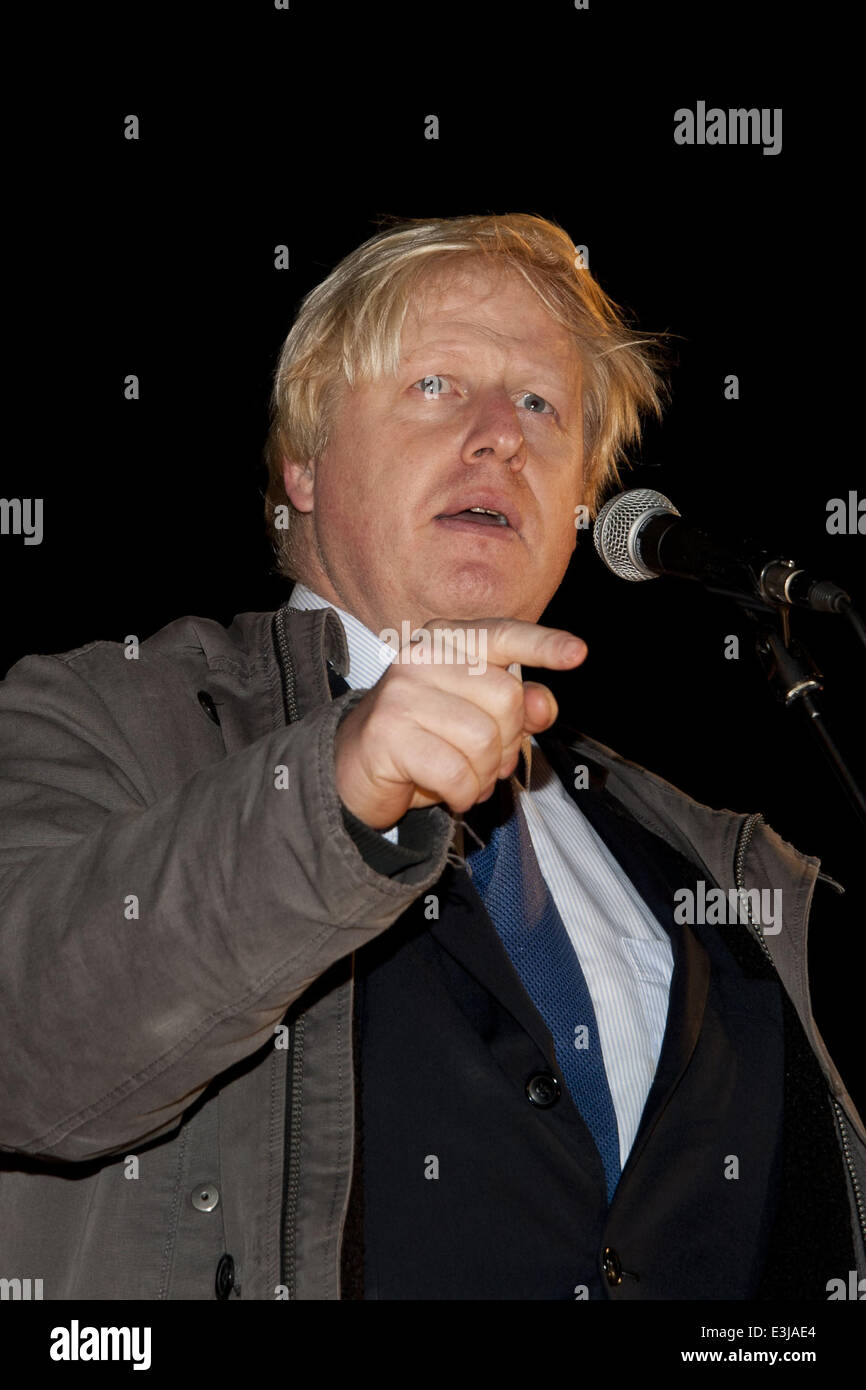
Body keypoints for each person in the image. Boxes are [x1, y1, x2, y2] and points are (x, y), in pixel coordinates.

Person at [0, 214, 863, 1302]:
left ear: (586, 508)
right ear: (304, 464)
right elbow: (23, 1042)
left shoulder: (711, 858)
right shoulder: (101, 714)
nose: (501, 434)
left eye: (541, 405)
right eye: (437, 385)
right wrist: (333, 798)